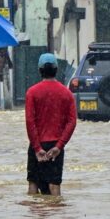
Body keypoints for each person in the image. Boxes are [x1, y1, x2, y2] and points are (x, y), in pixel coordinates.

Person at [25, 53, 77, 195]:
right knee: (54, 185)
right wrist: (59, 146)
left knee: (33, 183)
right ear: (56, 70)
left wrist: (36, 148)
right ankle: (56, 217)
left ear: (39, 70)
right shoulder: (66, 94)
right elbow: (72, 122)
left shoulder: (32, 92)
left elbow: (30, 122)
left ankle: (34, 217)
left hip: (37, 145)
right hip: (56, 146)